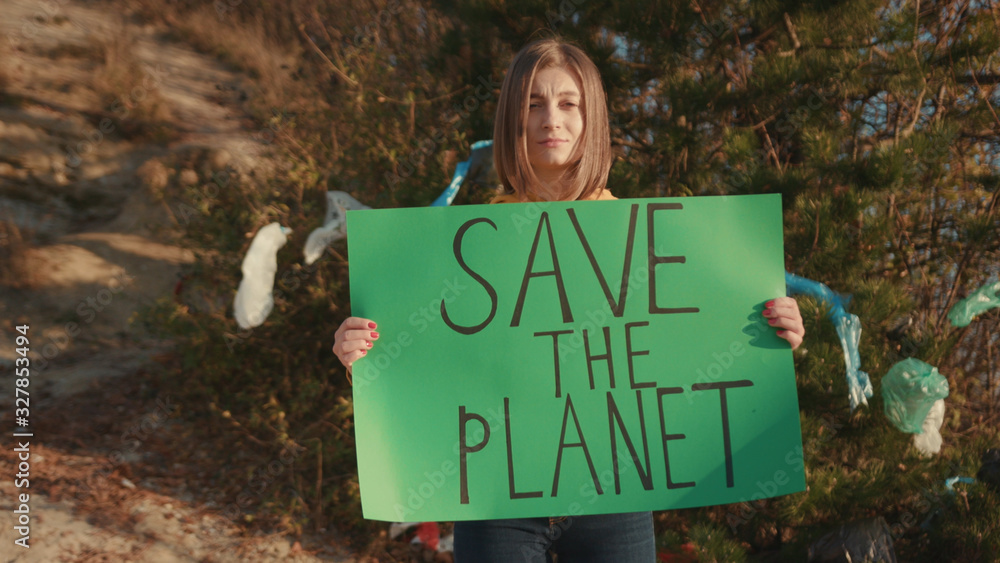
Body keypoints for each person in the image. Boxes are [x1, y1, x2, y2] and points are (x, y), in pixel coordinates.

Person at [333, 37, 805, 562]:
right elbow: (431, 361)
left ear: (592, 119)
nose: (549, 119)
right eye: (533, 103)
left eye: (567, 103)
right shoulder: (466, 245)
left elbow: (688, 347)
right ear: (512, 119)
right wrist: (365, 358)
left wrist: (771, 332)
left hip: (616, 497)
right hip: (497, 500)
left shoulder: (646, 240)